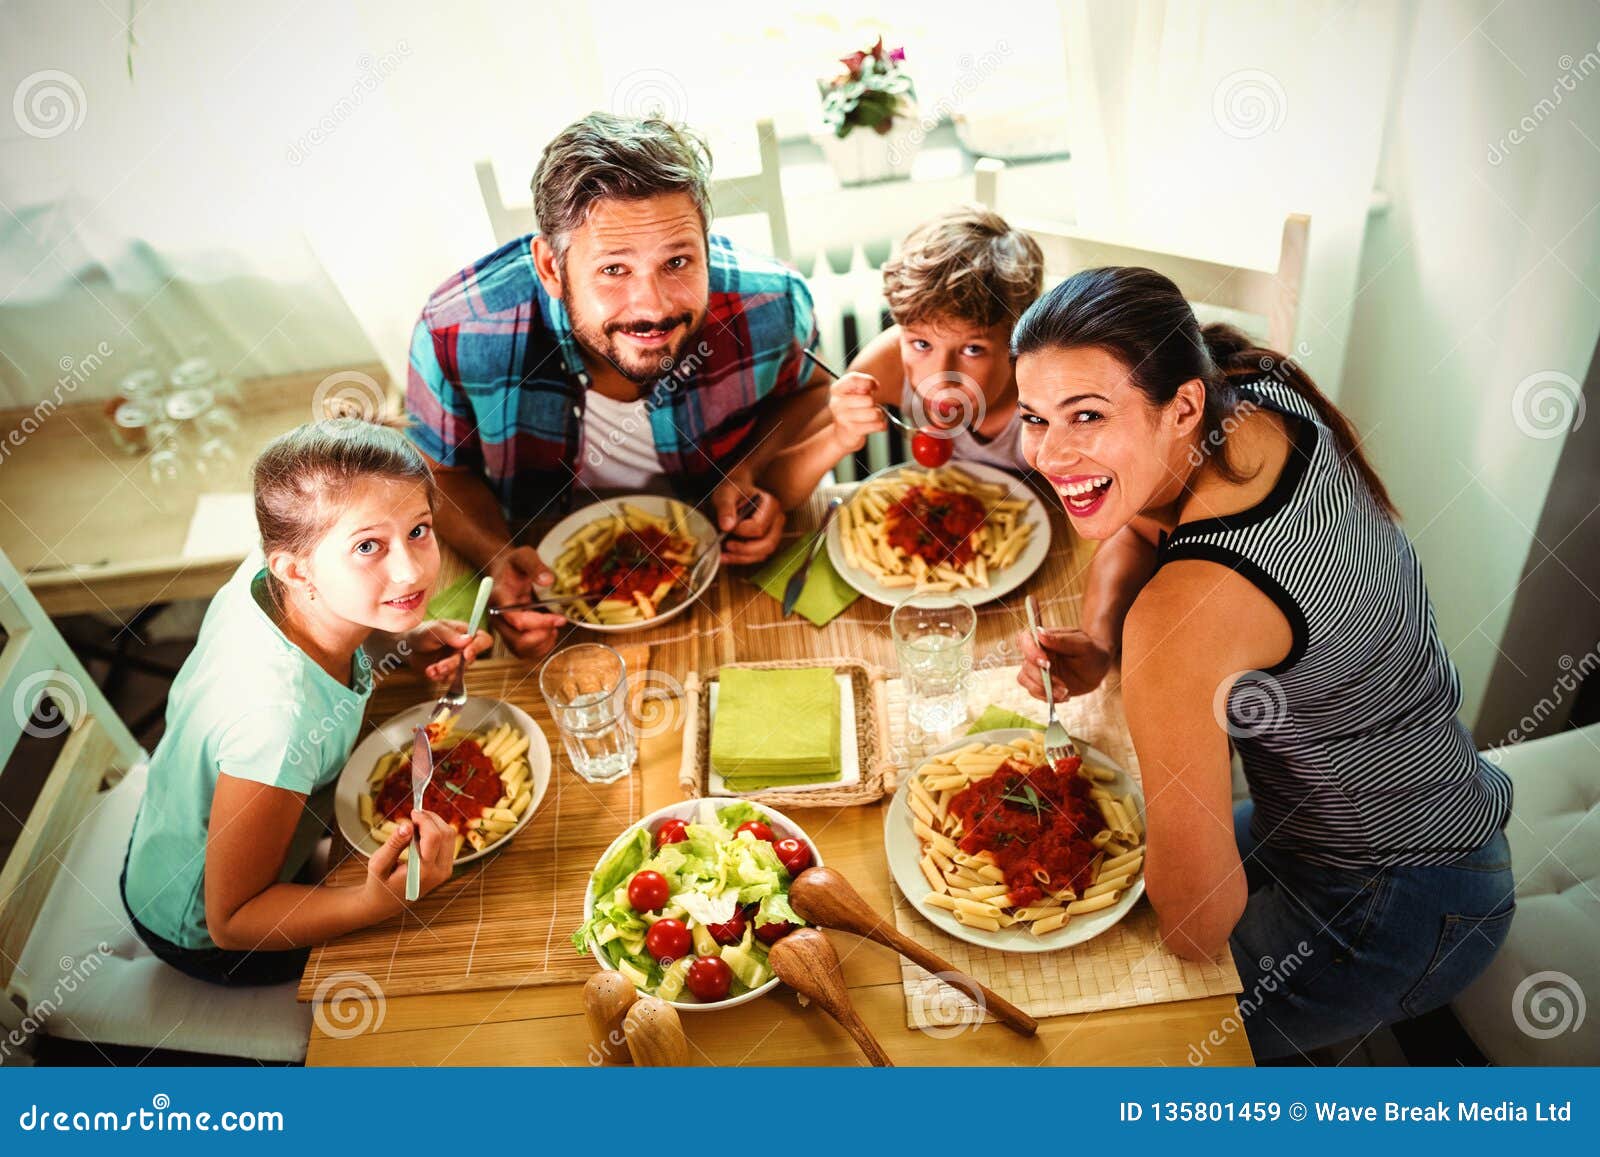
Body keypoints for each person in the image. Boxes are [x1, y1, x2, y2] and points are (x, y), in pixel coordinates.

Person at [1012, 266, 1514, 1059]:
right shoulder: (1253, 390)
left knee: (1095, 1047)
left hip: (1407, 905)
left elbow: (1195, 925)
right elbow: (1147, 526)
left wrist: (1151, 679)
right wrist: (1107, 642)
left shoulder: (1182, 620)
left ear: (1181, 408)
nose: (1050, 453)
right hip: (1359, 822)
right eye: (1034, 417)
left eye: (1087, 415)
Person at [405, 113, 830, 661]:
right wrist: (499, 555)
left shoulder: (771, 302)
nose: (652, 305)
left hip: (729, 588)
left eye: (678, 260)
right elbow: (436, 474)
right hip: (551, 601)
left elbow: (814, 394)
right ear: (551, 269)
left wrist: (749, 468)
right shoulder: (454, 330)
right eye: (614, 270)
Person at [120, 419, 492, 986]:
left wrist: (402, 637)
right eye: (368, 546)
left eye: (419, 529)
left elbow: (341, 591)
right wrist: (375, 903)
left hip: (176, 833)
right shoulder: (278, 721)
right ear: (295, 569)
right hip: (204, 931)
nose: (411, 569)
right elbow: (232, 920)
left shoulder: (273, 573)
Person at [776, 205, 1043, 486]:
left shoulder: (1049, 388)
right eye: (921, 344)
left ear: (1019, 344)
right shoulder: (886, 366)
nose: (940, 377)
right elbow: (774, 481)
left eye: (972, 349)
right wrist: (838, 437)